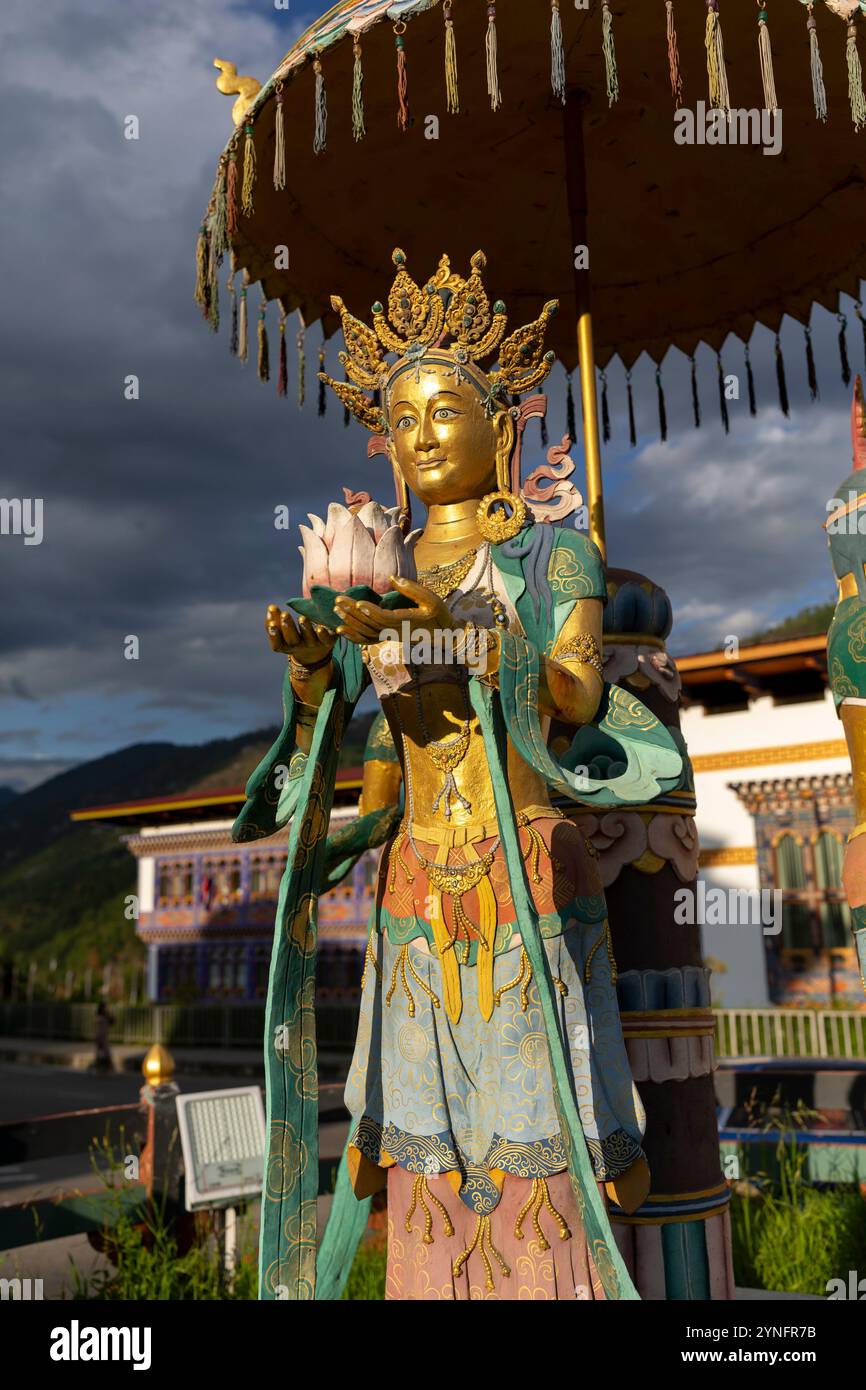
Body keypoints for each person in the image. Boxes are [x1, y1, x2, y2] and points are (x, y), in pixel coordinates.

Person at [235, 249, 682, 1300]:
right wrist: (311, 668)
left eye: (446, 410)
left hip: (524, 862)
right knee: (423, 1146)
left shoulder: (554, 555)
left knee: (539, 1123)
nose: (424, 435)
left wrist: (469, 633)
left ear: (503, 426)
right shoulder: (381, 569)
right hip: (415, 878)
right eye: (403, 419)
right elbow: (349, 727)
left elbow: (574, 693)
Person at [93, 1000, 114, 1073]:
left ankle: (107, 1067)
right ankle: (106, 1067)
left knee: (105, 1052)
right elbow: (98, 1023)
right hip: (100, 1036)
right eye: (105, 1007)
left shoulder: (106, 1015)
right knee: (103, 1052)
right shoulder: (99, 1016)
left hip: (104, 1036)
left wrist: (109, 1014)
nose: (106, 1008)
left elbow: (112, 1021)